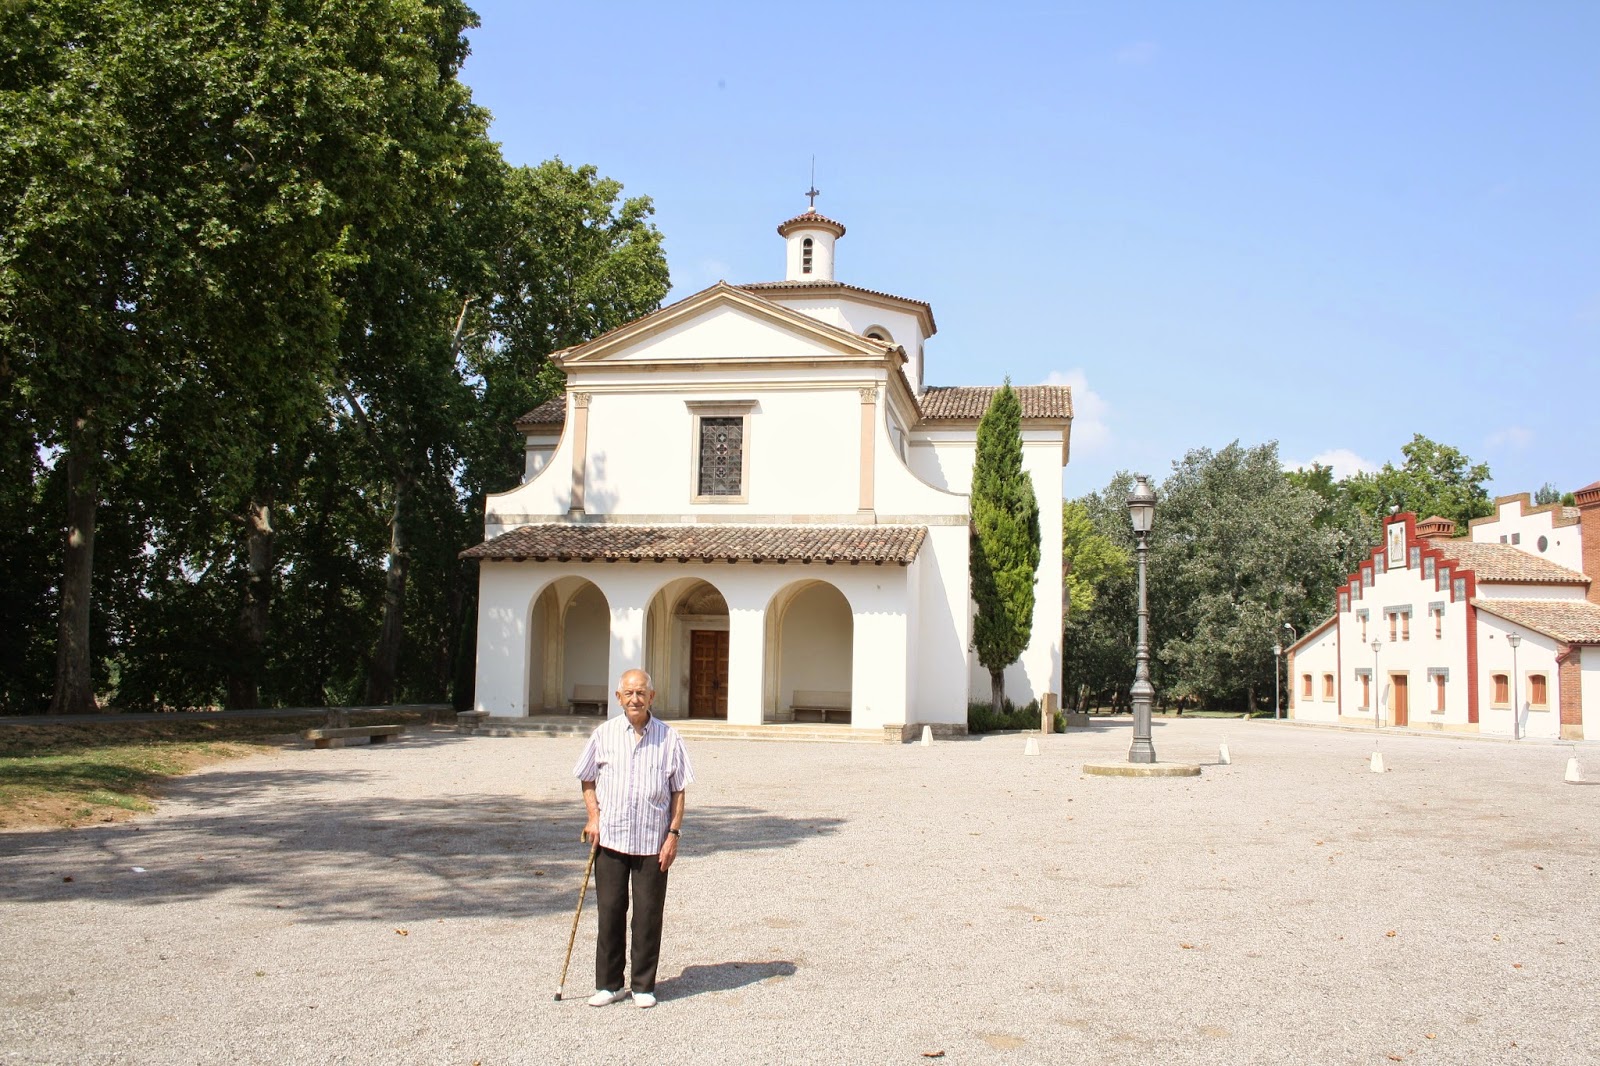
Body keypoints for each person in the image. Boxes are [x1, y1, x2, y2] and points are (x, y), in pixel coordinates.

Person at [572, 668, 693, 1009]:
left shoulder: (670, 738)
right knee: (610, 911)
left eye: (641, 693)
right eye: (629, 693)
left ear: (651, 697)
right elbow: (587, 778)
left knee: (648, 914)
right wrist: (593, 817)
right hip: (611, 837)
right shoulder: (603, 734)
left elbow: (679, 790)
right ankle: (609, 984)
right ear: (619, 698)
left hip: (653, 841)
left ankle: (643, 985)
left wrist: (673, 835)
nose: (635, 699)